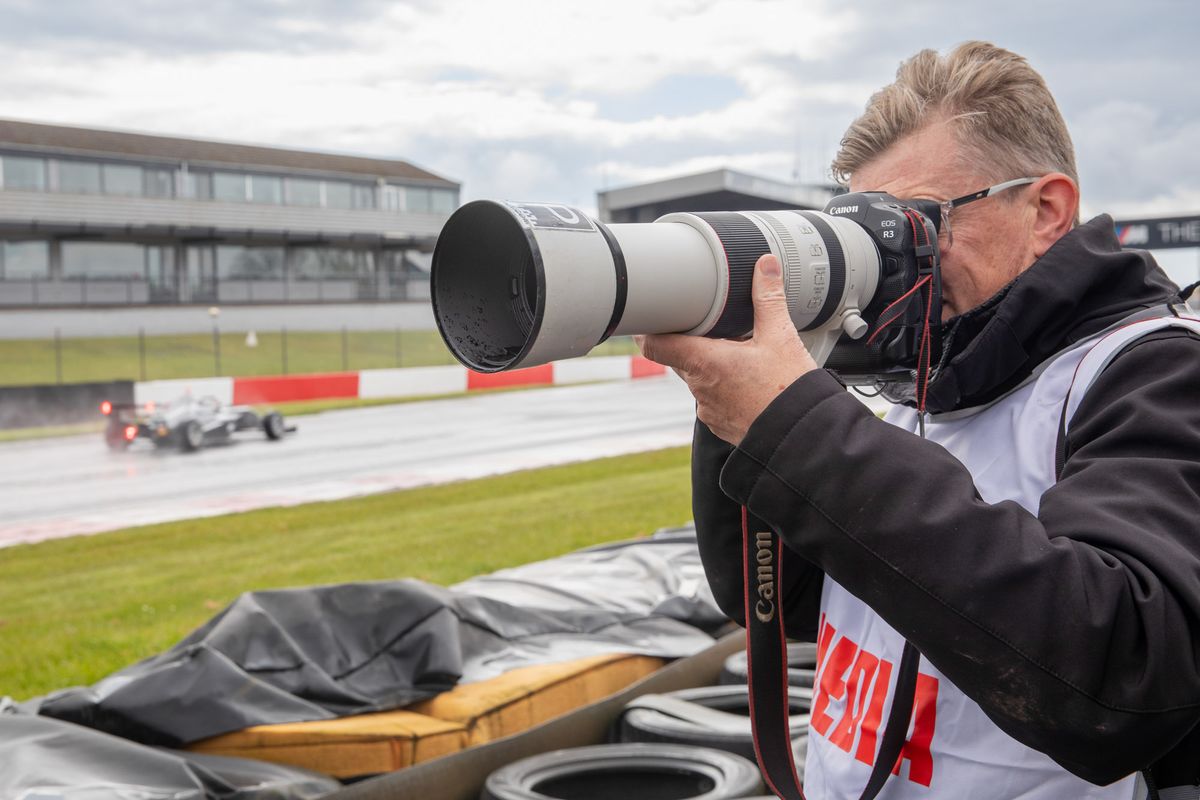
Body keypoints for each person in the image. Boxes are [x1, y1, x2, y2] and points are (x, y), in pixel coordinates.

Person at [638, 41, 1200, 798]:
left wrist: (799, 430)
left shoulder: (1153, 372)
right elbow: (791, 602)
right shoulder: (927, 376)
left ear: (1045, 210)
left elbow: (1125, 669)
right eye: (872, 235)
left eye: (918, 226)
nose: (894, 266)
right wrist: (736, 407)